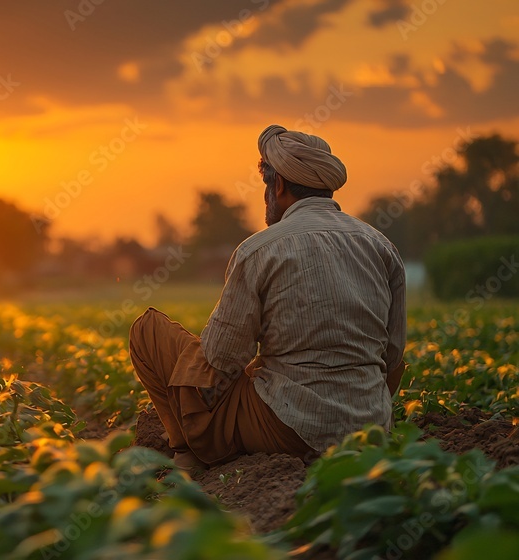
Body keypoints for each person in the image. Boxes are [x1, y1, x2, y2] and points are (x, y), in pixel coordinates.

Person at [129, 124, 406, 474]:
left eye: (265, 186)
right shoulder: (381, 246)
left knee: (148, 330)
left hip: (288, 428)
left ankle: (187, 452)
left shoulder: (259, 249)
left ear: (277, 186)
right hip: (370, 431)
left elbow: (223, 358)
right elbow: (393, 355)